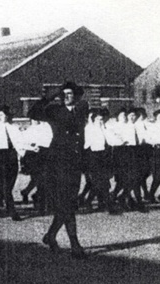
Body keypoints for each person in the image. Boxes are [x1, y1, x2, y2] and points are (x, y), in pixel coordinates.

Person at [40, 82, 88, 258]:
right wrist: (51, 96)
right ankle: (75, 245)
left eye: (71, 94)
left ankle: (51, 235)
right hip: (58, 164)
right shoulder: (54, 111)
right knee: (67, 204)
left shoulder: (81, 110)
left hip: (74, 164)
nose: (68, 97)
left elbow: (81, 137)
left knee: (67, 204)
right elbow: (33, 112)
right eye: (65, 94)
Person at [82, 107, 119, 213]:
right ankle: (107, 205)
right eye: (98, 119)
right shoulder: (89, 128)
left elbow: (111, 140)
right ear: (93, 119)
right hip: (94, 157)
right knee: (99, 182)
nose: (100, 121)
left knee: (104, 182)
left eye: (101, 119)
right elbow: (87, 144)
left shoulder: (104, 128)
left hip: (104, 156)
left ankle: (97, 203)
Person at [20, 102, 54, 214]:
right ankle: (40, 203)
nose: (35, 120)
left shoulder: (46, 127)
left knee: (45, 180)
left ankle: (35, 197)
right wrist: (31, 147)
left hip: (45, 154)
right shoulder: (29, 130)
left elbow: (50, 139)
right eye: (33, 118)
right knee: (39, 179)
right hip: (33, 156)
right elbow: (23, 143)